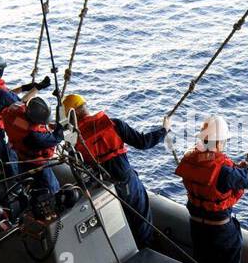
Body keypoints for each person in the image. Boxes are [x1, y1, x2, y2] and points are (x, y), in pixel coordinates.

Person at [63, 93, 169, 246]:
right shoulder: (114, 124)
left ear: (72, 116)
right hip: (127, 181)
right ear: (84, 107)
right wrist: (164, 130)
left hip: (105, 188)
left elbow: (81, 168)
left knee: (121, 224)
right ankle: (147, 251)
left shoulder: (75, 141)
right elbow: (143, 142)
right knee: (142, 221)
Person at [174, 115, 248, 263]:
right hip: (221, 233)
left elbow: (210, 172)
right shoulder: (225, 171)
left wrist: (235, 169)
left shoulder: (189, 159)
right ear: (219, 142)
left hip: (197, 228)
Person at [1, 88, 64, 196]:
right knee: (51, 188)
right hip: (36, 164)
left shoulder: (12, 112)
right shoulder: (35, 137)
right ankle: (52, 199)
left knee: (29, 182)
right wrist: (59, 128)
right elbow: (57, 138)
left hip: (19, 156)